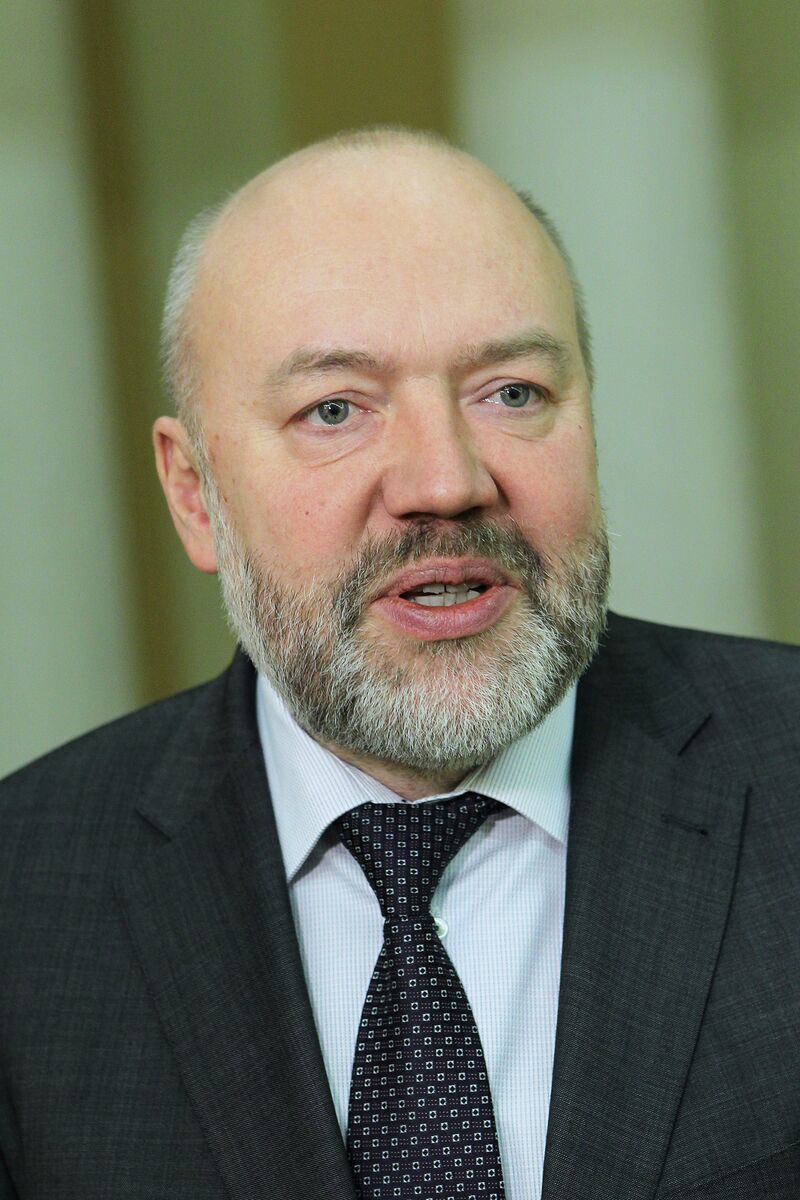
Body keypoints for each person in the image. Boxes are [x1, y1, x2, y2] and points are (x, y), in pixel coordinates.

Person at [0, 127, 798, 1200]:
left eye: (511, 392)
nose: (445, 482)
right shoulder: (24, 902)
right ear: (194, 493)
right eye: (334, 410)